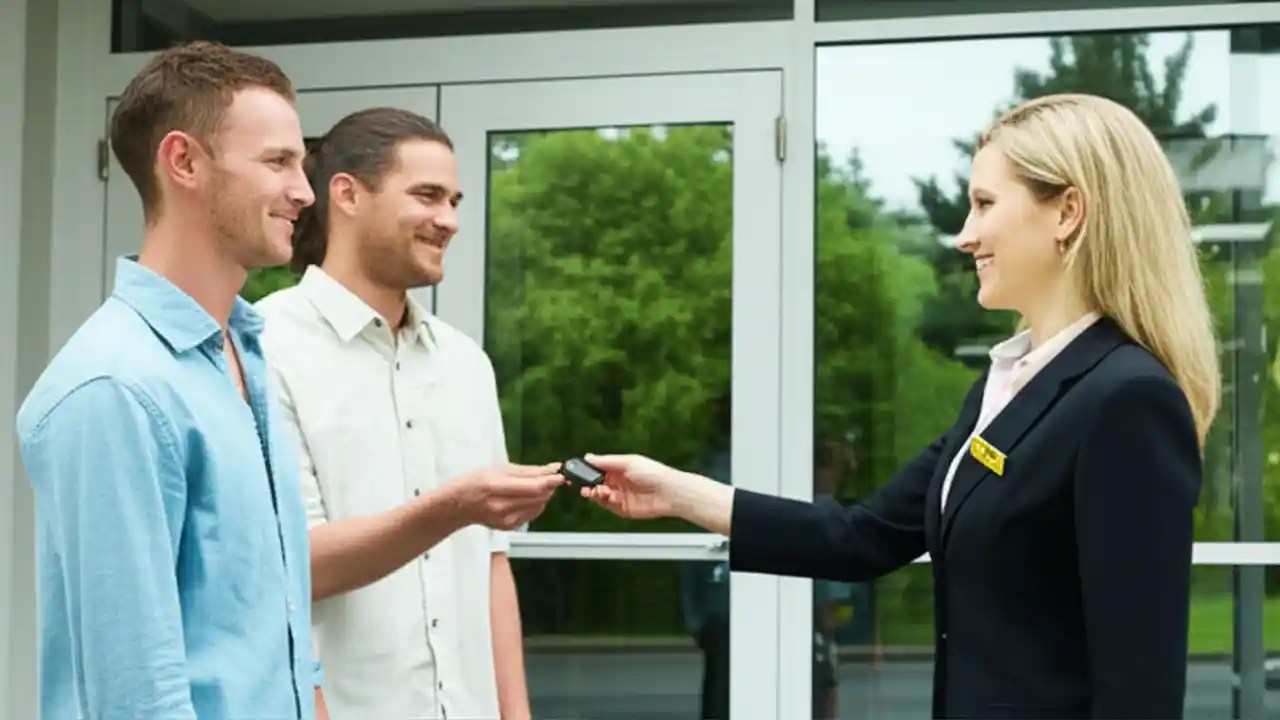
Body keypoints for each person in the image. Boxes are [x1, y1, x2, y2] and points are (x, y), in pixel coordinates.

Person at [582, 93, 1219, 719]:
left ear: (1067, 212)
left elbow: (1140, 690)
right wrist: (676, 493)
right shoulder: (1003, 389)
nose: (965, 235)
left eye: (984, 204)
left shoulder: (1128, 400)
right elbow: (861, 539)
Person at [15, 41, 326, 720]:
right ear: (183, 161)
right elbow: (136, 697)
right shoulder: (112, 389)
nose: (305, 191)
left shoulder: (246, 352)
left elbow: (280, 641)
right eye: (278, 161)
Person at [254, 107, 564, 720]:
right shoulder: (264, 349)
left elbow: (492, 563)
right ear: (346, 194)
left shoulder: (466, 364)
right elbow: (292, 566)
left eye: (454, 200)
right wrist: (453, 507)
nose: (448, 221)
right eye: (427, 196)